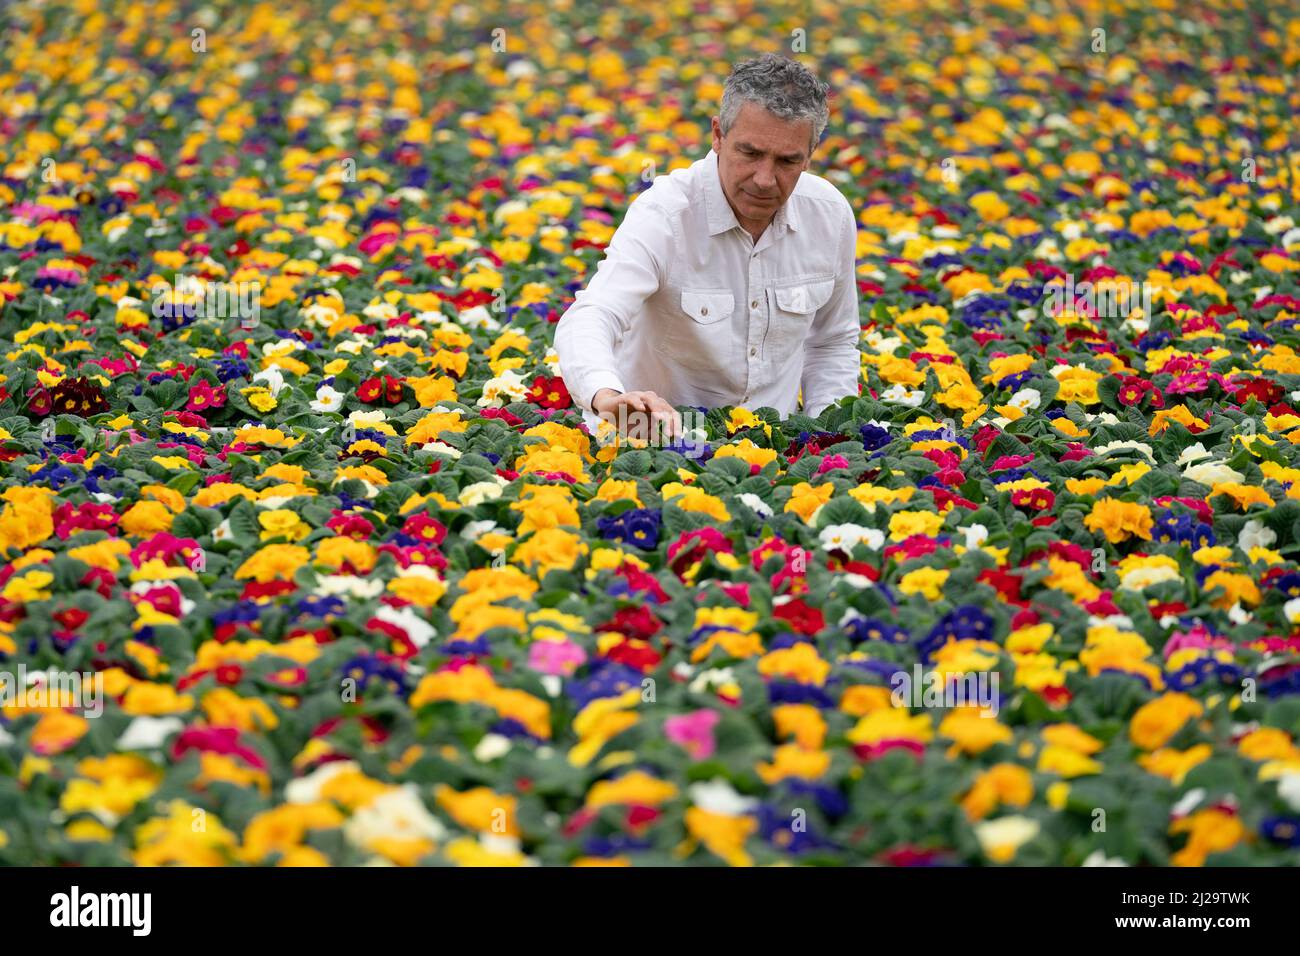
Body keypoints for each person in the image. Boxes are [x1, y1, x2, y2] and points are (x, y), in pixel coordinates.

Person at [554, 52, 861, 444]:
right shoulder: (665, 213)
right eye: (750, 153)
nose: (765, 179)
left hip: (772, 452)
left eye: (787, 161)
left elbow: (832, 342)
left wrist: (828, 441)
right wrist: (608, 397)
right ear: (718, 135)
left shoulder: (830, 215)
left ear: (811, 154)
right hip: (653, 449)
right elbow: (593, 314)